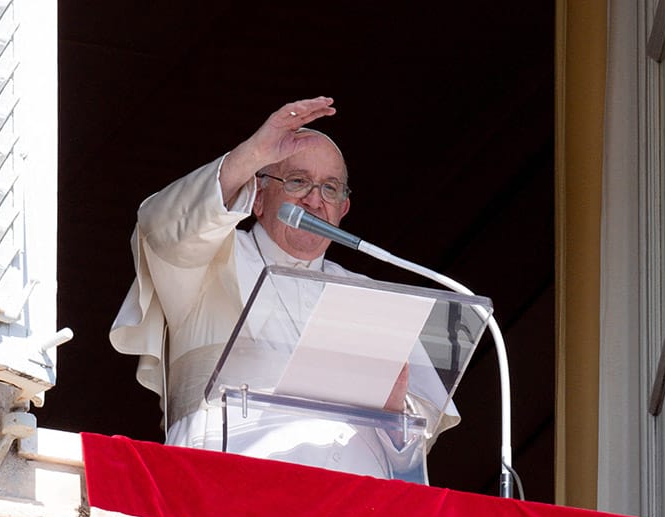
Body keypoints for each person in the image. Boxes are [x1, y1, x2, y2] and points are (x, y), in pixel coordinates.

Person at [110, 97, 456, 479]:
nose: (314, 200)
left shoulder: (372, 299)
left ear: (343, 210)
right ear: (258, 197)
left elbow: (417, 434)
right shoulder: (210, 259)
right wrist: (253, 154)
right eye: (297, 181)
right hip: (228, 478)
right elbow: (161, 226)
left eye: (330, 188)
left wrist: (392, 412)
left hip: (350, 492)